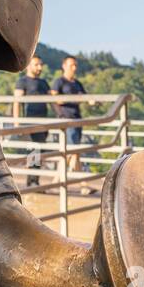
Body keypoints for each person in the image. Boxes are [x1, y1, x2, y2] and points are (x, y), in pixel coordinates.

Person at [51, 56, 90, 189]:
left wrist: (91, 101)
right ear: (64, 66)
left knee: (74, 152)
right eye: (71, 65)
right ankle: (78, 184)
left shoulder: (77, 83)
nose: (74, 68)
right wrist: (75, 99)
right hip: (66, 120)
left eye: (75, 65)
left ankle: (80, 185)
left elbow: (86, 97)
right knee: (72, 152)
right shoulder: (59, 82)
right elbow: (55, 98)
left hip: (77, 119)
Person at [14, 54, 51, 187]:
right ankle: (32, 182)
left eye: (41, 64)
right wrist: (17, 123)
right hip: (29, 122)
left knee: (39, 152)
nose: (40, 67)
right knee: (33, 152)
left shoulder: (44, 83)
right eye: (37, 64)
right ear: (29, 65)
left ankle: (35, 182)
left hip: (43, 123)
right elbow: (17, 103)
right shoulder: (22, 81)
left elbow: (52, 101)